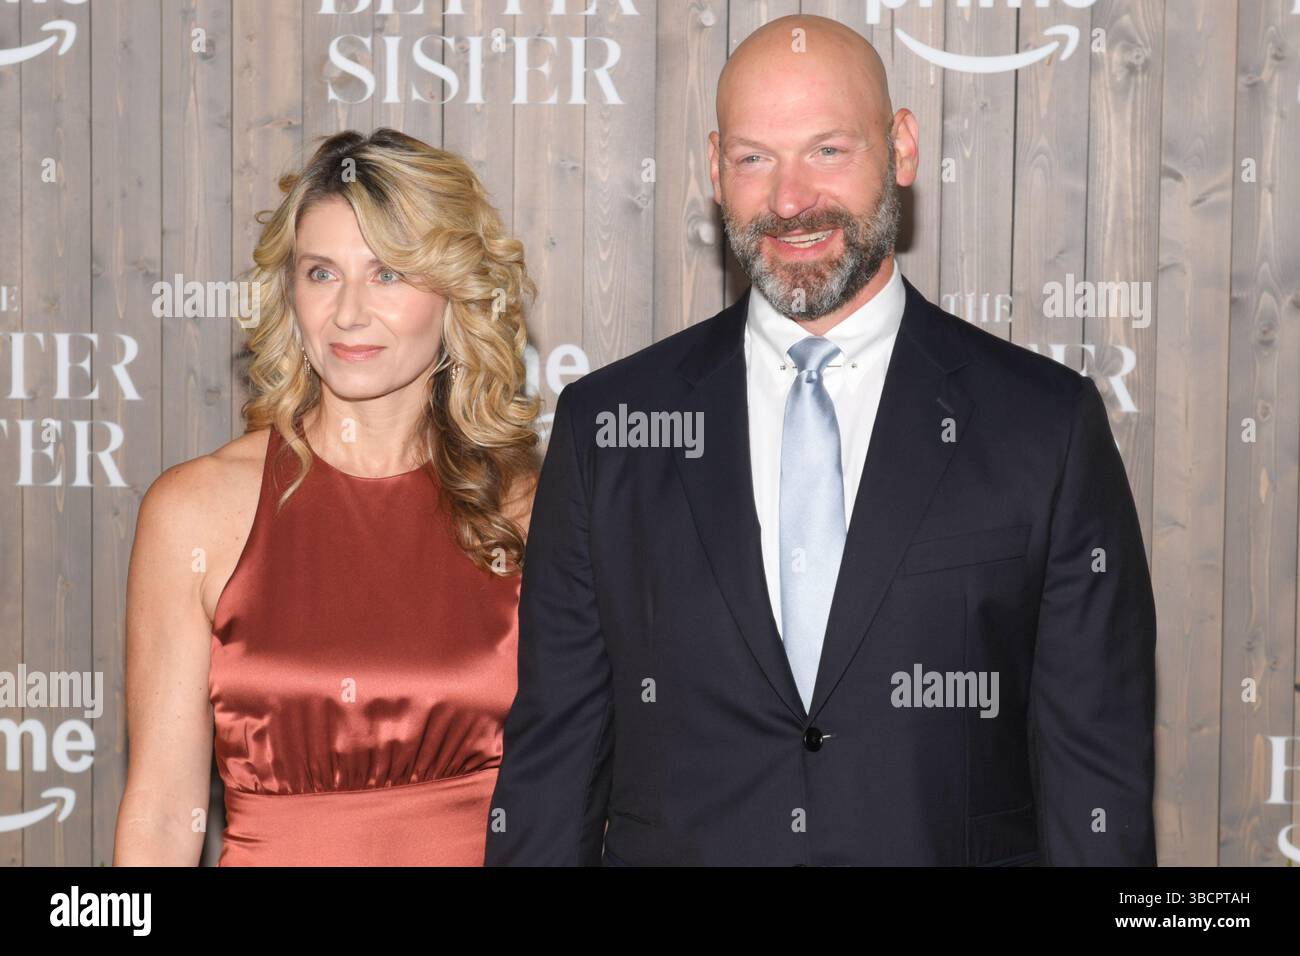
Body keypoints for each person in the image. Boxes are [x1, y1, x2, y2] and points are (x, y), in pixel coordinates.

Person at [485, 15, 1156, 865]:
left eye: (828, 151)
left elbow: (1095, 777)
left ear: (902, 148)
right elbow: (555, 764)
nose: (790, 199)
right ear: (714, 168)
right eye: (754, 158)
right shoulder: (608, 429)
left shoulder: (1044, 426)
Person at [114, 128, 539, 866]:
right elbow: (158, 816)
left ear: (456, 293)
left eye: (387, 275)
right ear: (290, 292)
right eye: (320, 273)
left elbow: (593, 792)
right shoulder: (198, 511)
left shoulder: (534, 509)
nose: (347, 314)